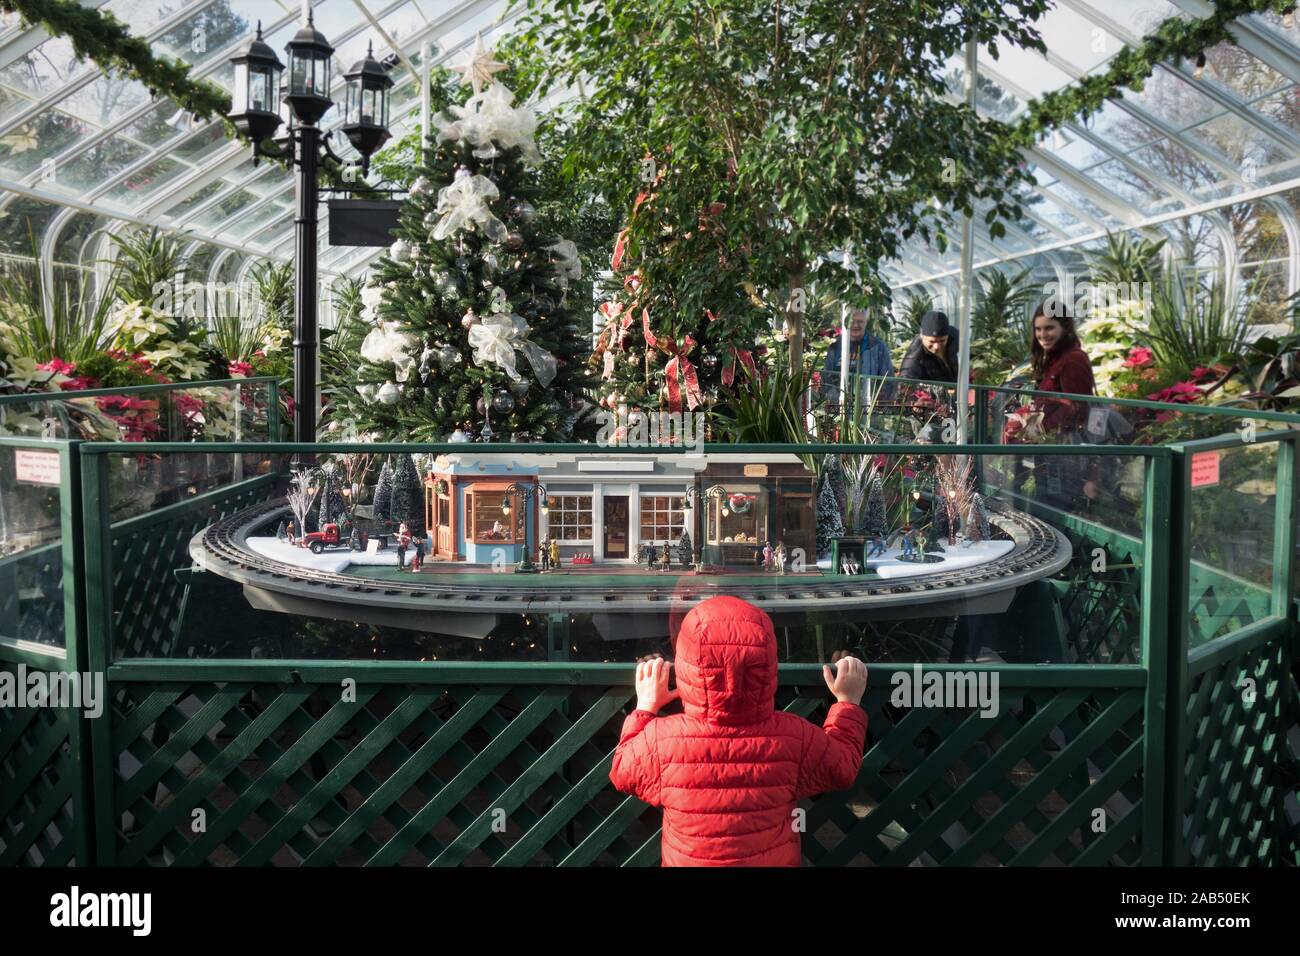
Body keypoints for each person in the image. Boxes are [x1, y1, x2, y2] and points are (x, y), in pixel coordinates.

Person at [609, 596, 868, 866]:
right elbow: (843, 767)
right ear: (768, 665)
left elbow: (622, 770)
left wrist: (645, 707)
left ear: (687, 666)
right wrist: (847, 704)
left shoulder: (661, 741)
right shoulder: (793, 737)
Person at [1027, 299, 1101, 506]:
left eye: (1049, 328)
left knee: (1062, 504)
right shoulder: (1052, 359)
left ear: (1065, 327)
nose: (1042, 335)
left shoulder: (1073, 360)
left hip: (1067, 451)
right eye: (1038, 329)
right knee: (1049, 501)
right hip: (1054, 448)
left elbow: (1076, 406)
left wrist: (1039, 427)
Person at [822, 308, 894, 405]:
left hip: (868, 411)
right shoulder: (835, 347)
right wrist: (839, 403)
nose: (855, 325)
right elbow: (827, 380)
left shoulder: (877, 347)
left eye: (859, 322)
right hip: (839, 408)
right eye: (852, 321)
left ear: (866, 321)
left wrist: (876, 405)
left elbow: (888, 382)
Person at [899, 310, 961, 384]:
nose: (937, 346)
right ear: (922, 336)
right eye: (932, 341)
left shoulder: (955, 338)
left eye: (942, 340)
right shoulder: (913, 361)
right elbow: (905, 387)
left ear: (948, 336)